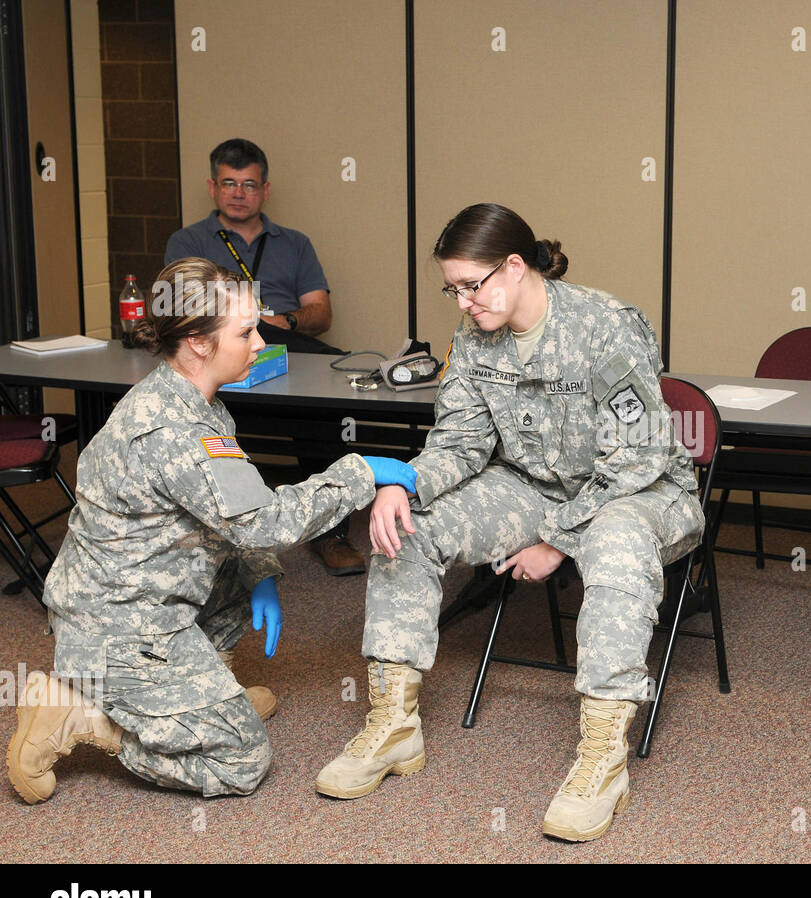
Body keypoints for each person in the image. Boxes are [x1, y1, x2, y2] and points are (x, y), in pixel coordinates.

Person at [314, 203, 704, 842]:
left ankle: (603, 757)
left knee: (615, 539)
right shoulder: (473, 340)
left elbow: (636, 460)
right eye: (453, 289)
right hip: (535, 485)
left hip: (640, 491)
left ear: (516, 267)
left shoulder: (605, 326)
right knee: (415, 522)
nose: (463, 302)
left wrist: (556, 537)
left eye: (474, 285)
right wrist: (404, 482)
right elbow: (461, 442)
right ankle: (392, 723)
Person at [6, 258, 417, 803]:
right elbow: (267, 520)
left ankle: (199, 696)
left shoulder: (191, 399)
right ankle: (85, 717)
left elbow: (230, 514)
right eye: (246, 332)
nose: (259, 341)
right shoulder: (174, 432)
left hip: (135, 596)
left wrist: (260, 573)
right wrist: (360, 471)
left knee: (242, 580)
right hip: (118, 633)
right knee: (242, 760)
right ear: (199, 342)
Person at [164, 138, 365, 576]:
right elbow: (178, 315)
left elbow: (321, 313)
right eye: (229, 183)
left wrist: (282, 324)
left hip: (282, 344)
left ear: (266, 190)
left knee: (325, 410)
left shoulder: (294, 243)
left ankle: (329, 533)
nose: (239, 193)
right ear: (212, 187)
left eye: (249, 184)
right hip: (216, 352)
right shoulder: (188, 241)